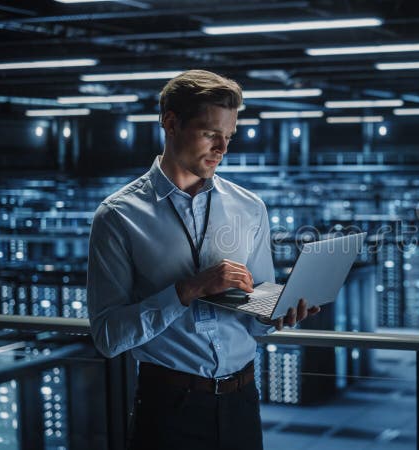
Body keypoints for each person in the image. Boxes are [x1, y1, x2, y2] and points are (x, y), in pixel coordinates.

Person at [86, 69, 319, 450]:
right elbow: (108, 337)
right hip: (168, 407)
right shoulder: (118, 216)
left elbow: (255, 314)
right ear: (170, 123)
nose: (222, 149)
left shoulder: (249, 206)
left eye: (228, 137)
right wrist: (189, 289)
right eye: (211, 134)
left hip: (243, 400)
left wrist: (280, 313)